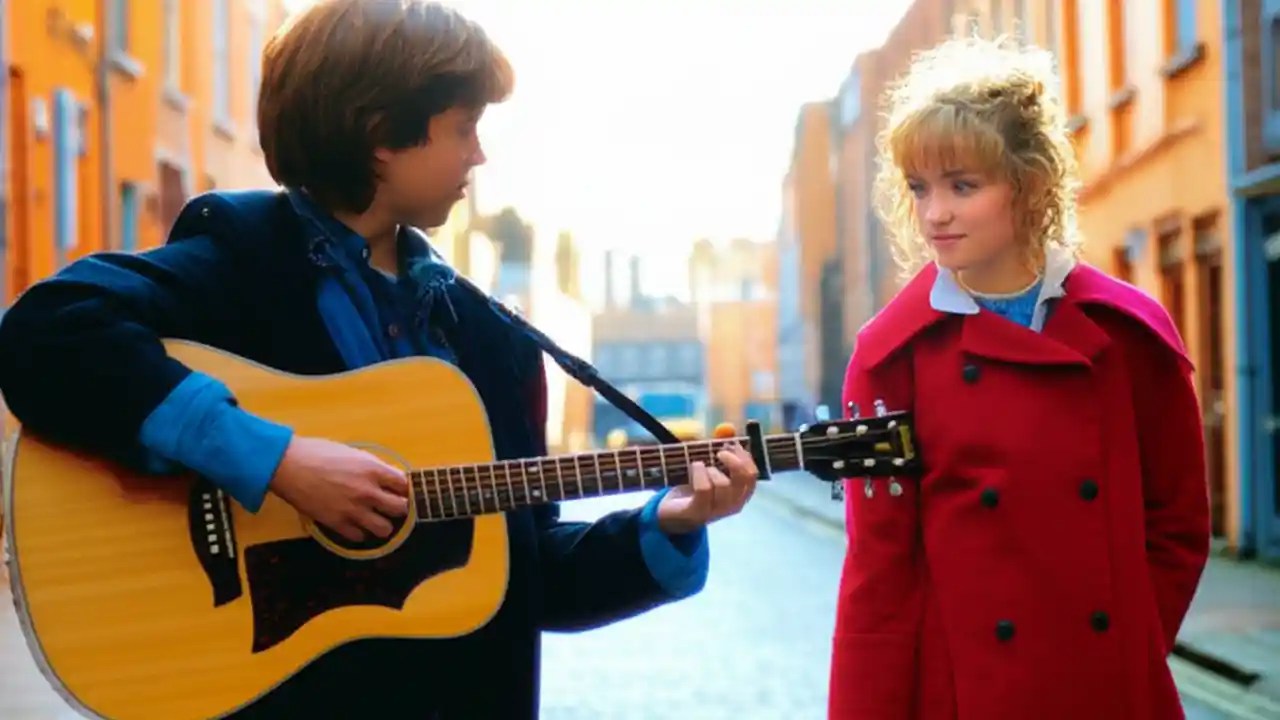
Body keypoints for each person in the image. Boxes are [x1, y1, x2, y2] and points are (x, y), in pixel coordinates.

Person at [0, 1, 759, 717]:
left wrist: (673, 524)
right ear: (380, 133)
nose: (480, 153)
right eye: (462, 127)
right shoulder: (240, 262)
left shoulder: (488, 341)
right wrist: (279, 460)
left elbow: (528, 574)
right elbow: (44, 330)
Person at [828, 35, 1210, 720]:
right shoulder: (891, 356)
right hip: (966, 701)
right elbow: (877, 577)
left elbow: (1176, 525)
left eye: (962, 186)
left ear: (1030, 184)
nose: (934, 212)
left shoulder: (1130, 336)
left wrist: (1127, 647)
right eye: (920, 188)